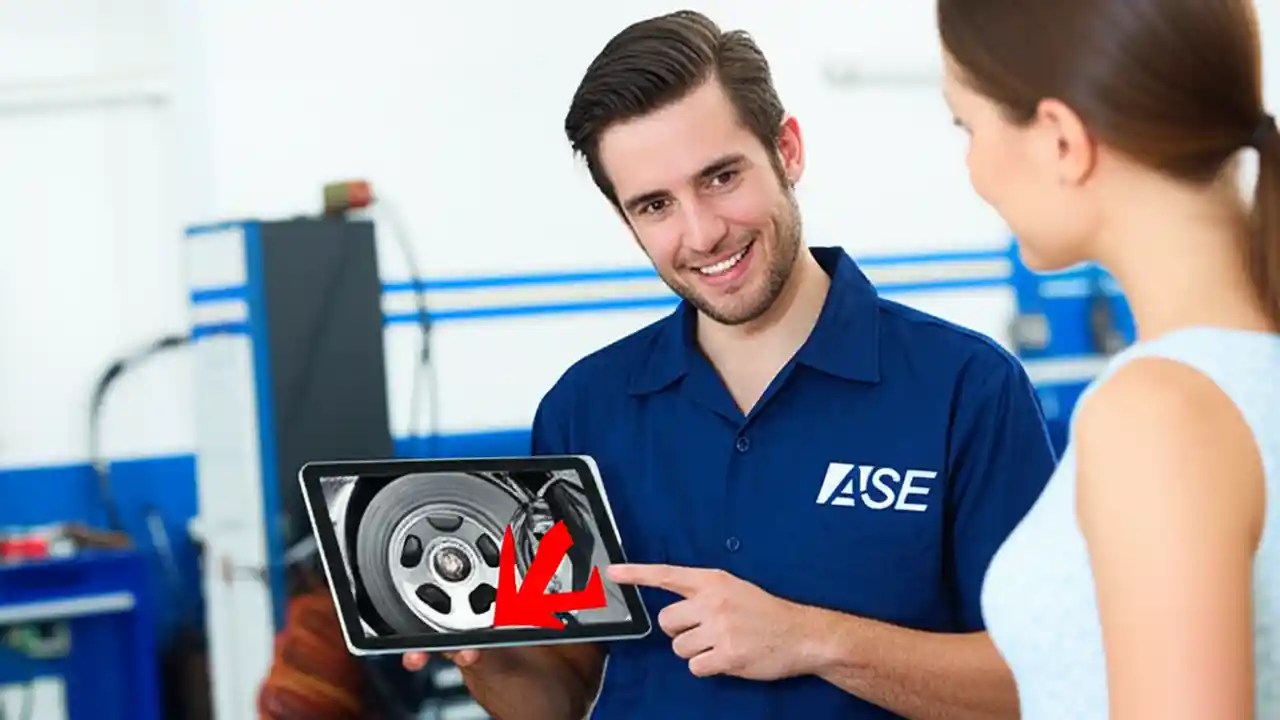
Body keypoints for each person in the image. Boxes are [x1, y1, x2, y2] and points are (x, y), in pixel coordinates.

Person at [403, 10, 1057, 719]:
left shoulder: (967, 390)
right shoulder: (584, 408)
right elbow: (561, 696)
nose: (702, 232)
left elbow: (1045, 685)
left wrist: (812, 639)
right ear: (627, 220)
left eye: (719, 178)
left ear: (789, 150)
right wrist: (493, 662)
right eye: (655, 205)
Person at [935, 0, 1280, 718]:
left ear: (1061, 139)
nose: (969, 167)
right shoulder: (1235, 378)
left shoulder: (1157, 412)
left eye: (966, 127)